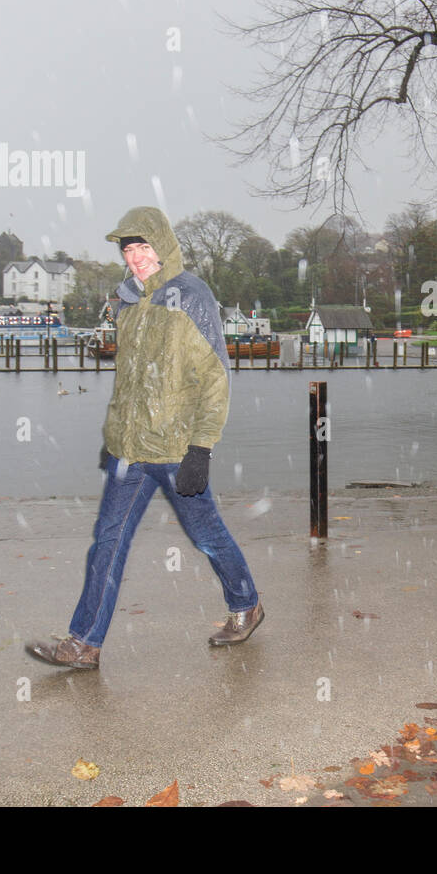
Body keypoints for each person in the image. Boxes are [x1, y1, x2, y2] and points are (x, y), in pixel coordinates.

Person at [26, 207, 262, 669]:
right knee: (107, 543)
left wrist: (201, 447)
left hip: (177, 451)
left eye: (143, 247)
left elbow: (214, 377)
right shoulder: (128, 301)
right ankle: (84, 644)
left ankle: (246, 605)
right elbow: (130, 379)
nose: (135, 258)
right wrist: (115, 434)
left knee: (207, 537)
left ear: (163, 247)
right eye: (129, 249)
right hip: (129, 452)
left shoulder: (192, 296)